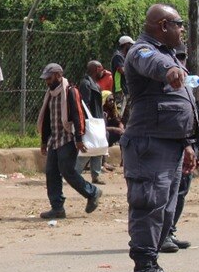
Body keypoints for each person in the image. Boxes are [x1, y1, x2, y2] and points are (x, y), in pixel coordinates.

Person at [121, 4, 196, 272]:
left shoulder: (169, 53)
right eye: (178, 24)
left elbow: (183, 101)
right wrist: (170, 69)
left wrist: (188, 144)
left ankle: (153, 264)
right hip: (148, 144)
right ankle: (143, 271)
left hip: (172, 144)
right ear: (163, 25)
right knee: (148, 206)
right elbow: (149, 63)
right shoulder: (142, 50)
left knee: (165, 210)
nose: (181, 30)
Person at [36, 63, 103, 220]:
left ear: (59, 75)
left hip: (68, 138)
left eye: (49, 78)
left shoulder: (71, 91)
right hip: (54, 139)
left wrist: (79, 138)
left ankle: (92, 192)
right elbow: (46, 119)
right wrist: (44, 141)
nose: (47, 81)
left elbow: (78, 115)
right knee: (51, 172)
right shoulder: (50, 94)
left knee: (67, 171)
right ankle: (57, 207)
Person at [160, 45, 197, 253]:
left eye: (183, 57)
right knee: (168, 193)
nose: (181, 61)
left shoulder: (187, 83)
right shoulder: (168, 84)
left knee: (180, 192)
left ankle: (169, 231)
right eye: (178, 57)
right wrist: (186, 144)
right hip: (178, 145)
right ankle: (162, 235)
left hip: (190, 143)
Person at [78, 60, 105, 184]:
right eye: (100, 68)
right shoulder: (86, 83)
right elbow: (84, 104)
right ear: (95, 69)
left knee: (98, 147)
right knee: (88, 148)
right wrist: (87, 120)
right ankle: (75, 173)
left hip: (97, 120)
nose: (103, 70)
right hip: (91, 120)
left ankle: (96, 175)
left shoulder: (94, 83)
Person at [112, 35, 134, 119]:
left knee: (128, 116)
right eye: (131, 45)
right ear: (126, 44)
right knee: (118, 115)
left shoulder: (124, 57)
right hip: (120, 91)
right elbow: (122, 70)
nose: (132, 47)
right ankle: (115, 131)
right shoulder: (118, 56)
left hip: (126, 90)